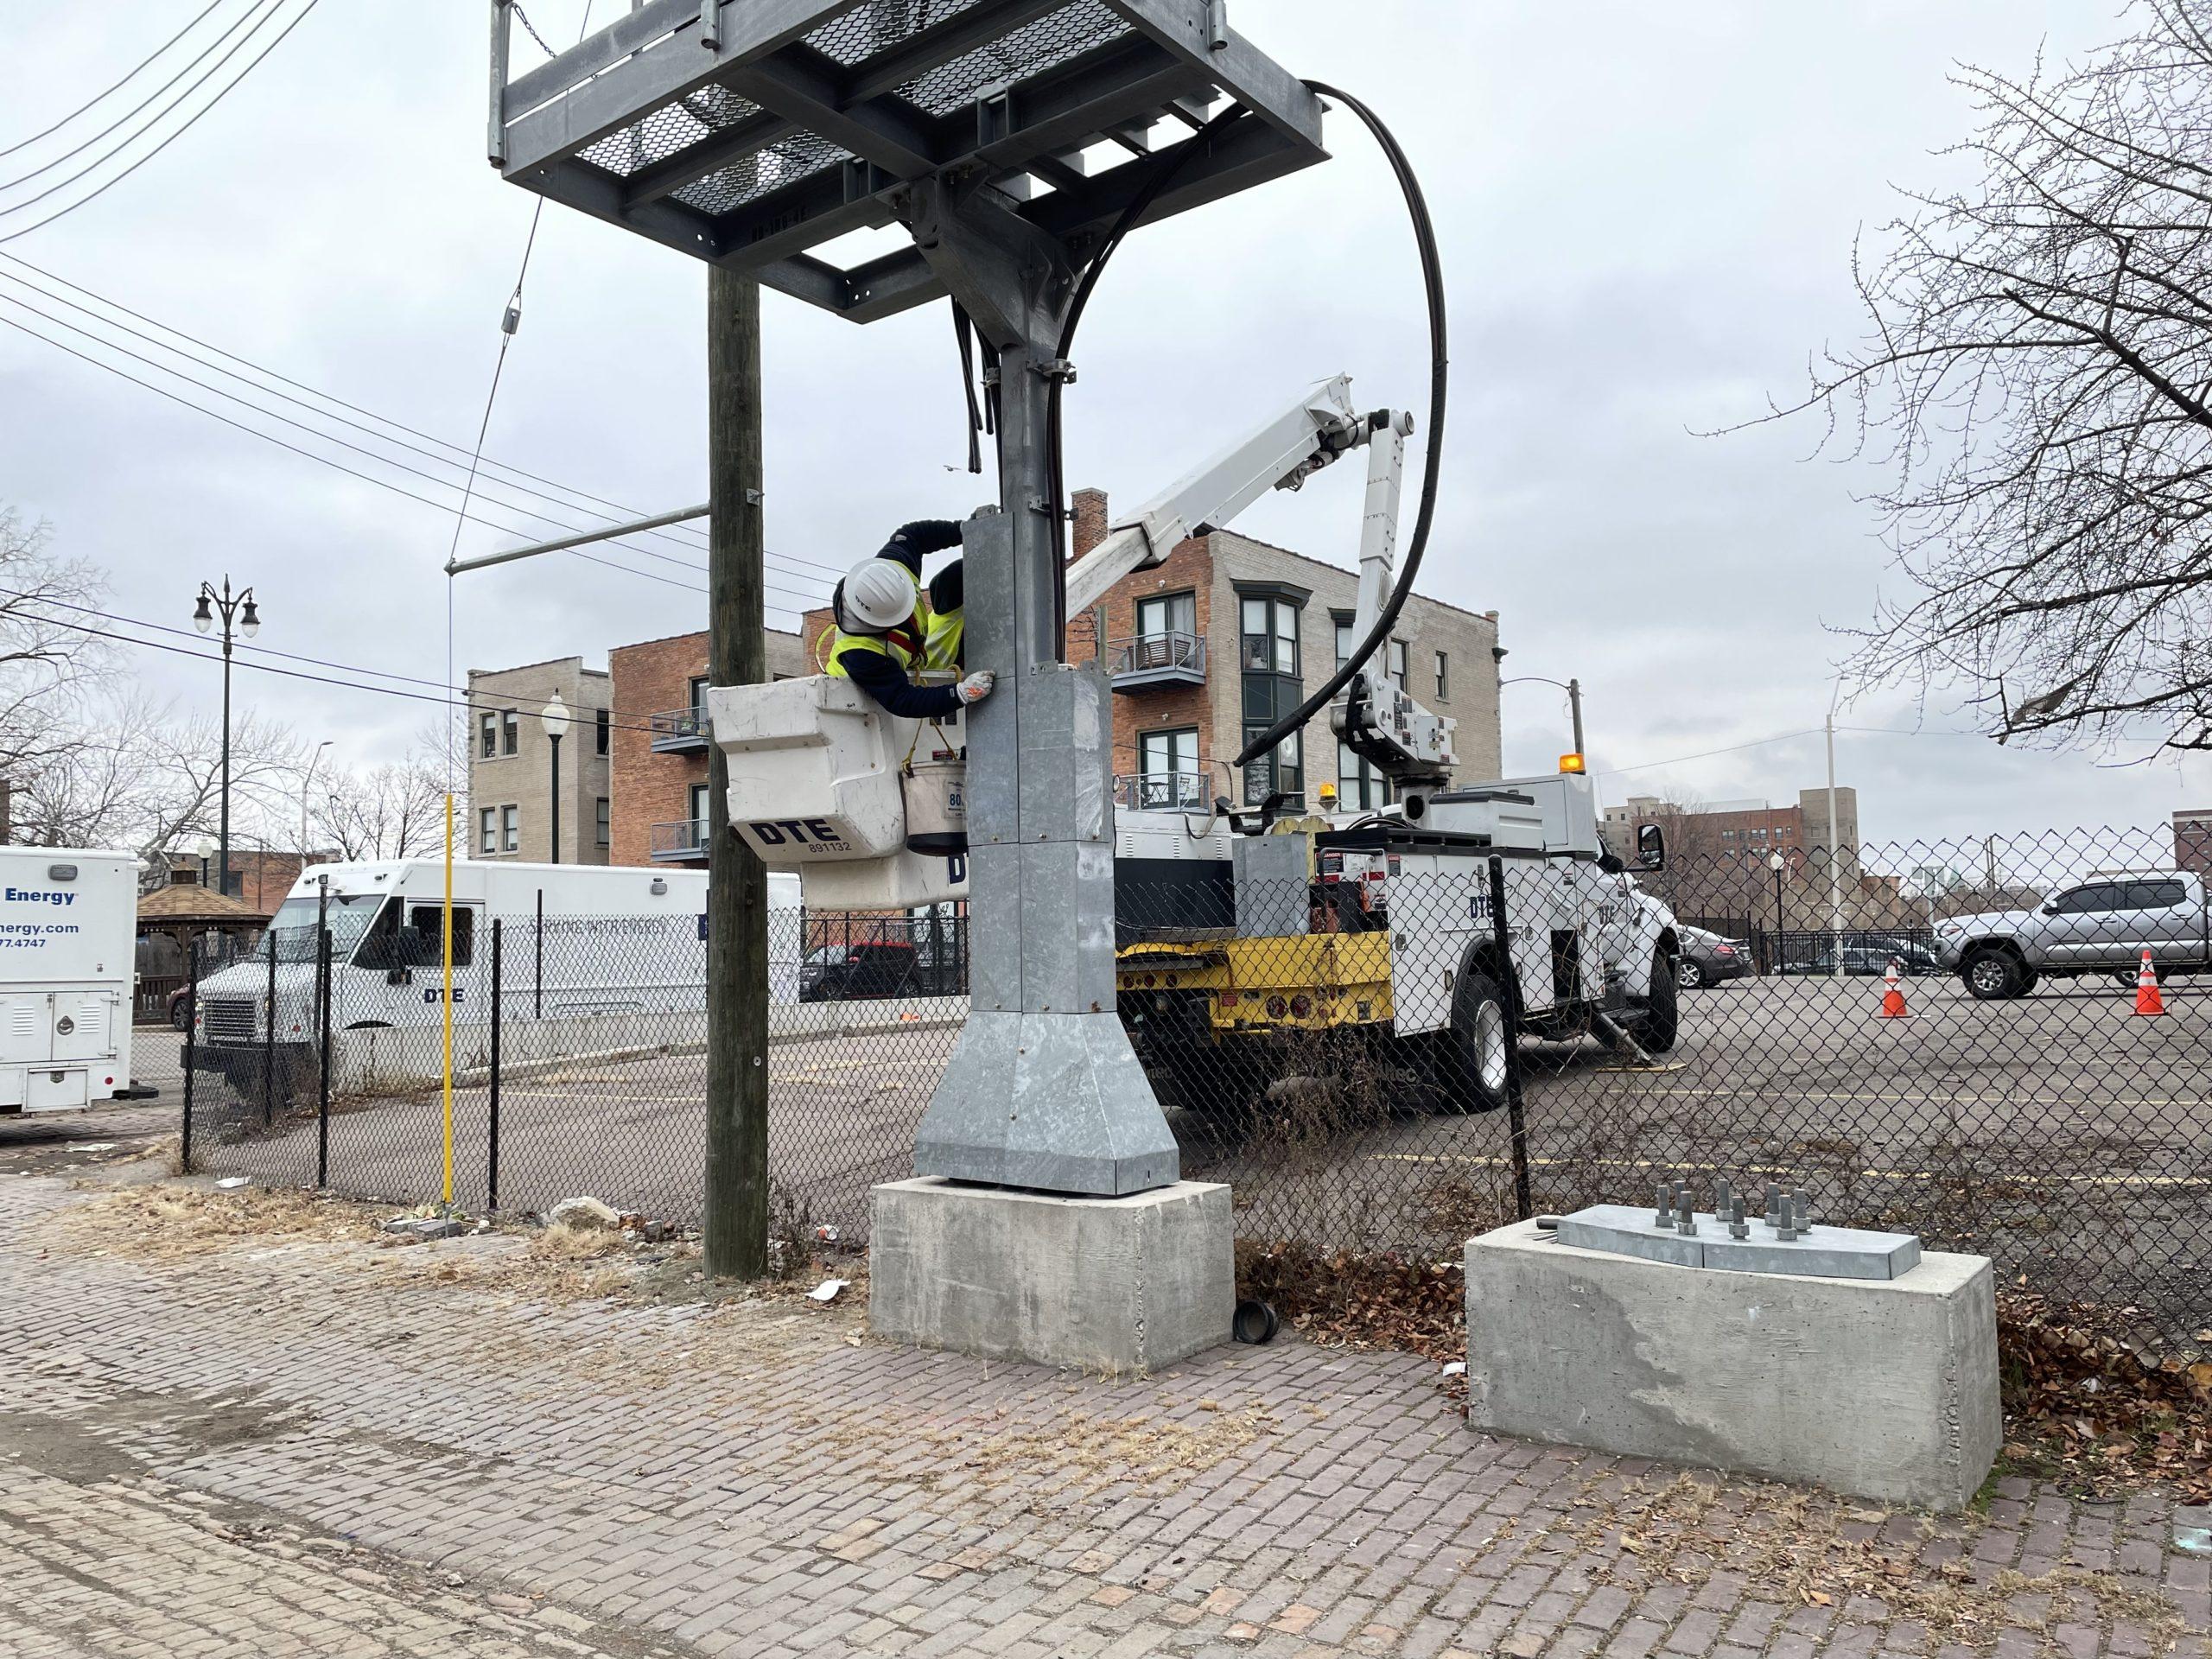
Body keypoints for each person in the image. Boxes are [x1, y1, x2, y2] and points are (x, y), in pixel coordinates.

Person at [823, 520, 991, 719]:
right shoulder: (860, 653)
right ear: (879, 624)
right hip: (850, 704)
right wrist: (961, 693)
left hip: (915, 667)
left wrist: (965, 530)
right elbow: (902, 700)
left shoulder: (892, 569)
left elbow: (914, 534)